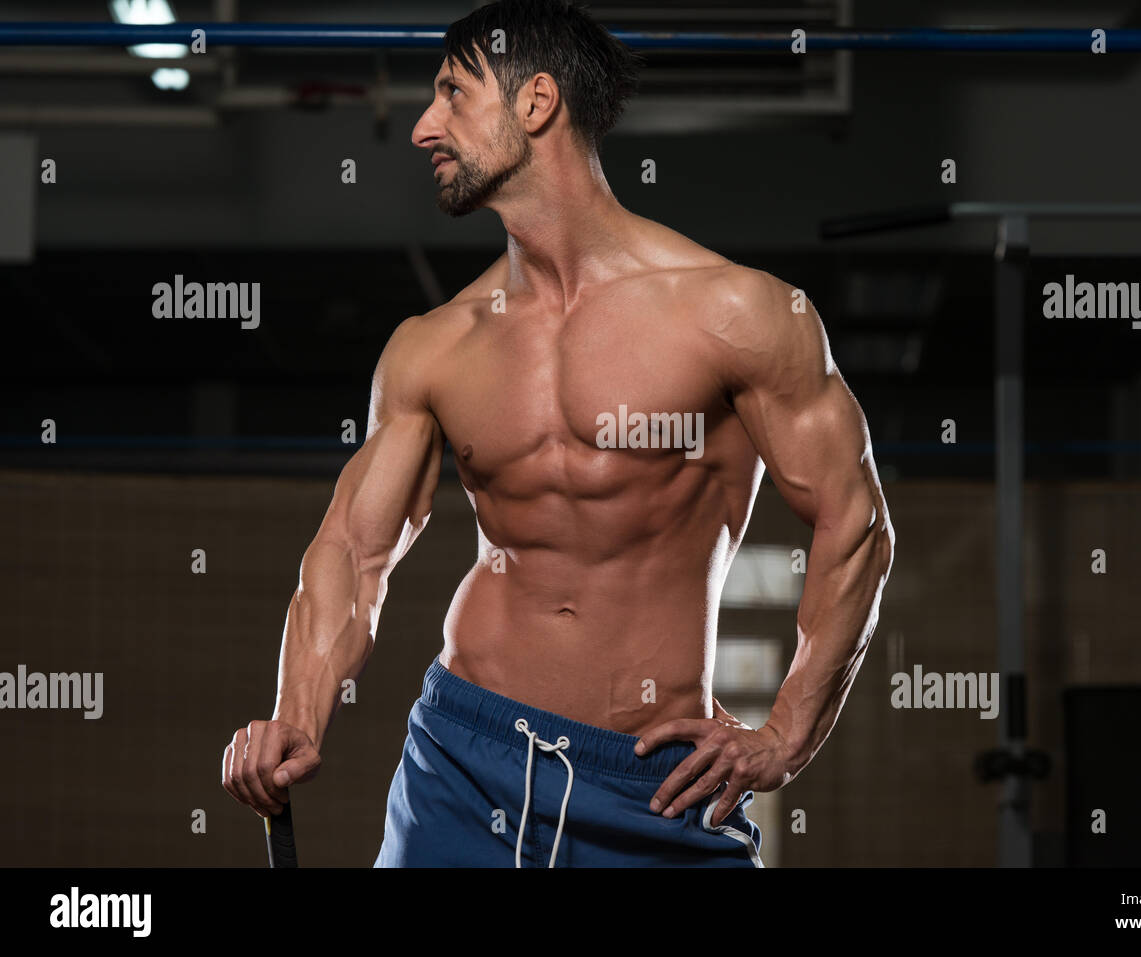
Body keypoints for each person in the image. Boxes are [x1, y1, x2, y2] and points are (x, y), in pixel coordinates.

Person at [221, 0, 894, 867]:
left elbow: (857, 523)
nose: (425, 126)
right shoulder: (435, 346)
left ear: (537, 103)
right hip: (462, 757)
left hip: (654, 784)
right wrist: (296, 710)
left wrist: (791, 729)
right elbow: (355, 547)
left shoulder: (737, 314)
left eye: (452, 95)